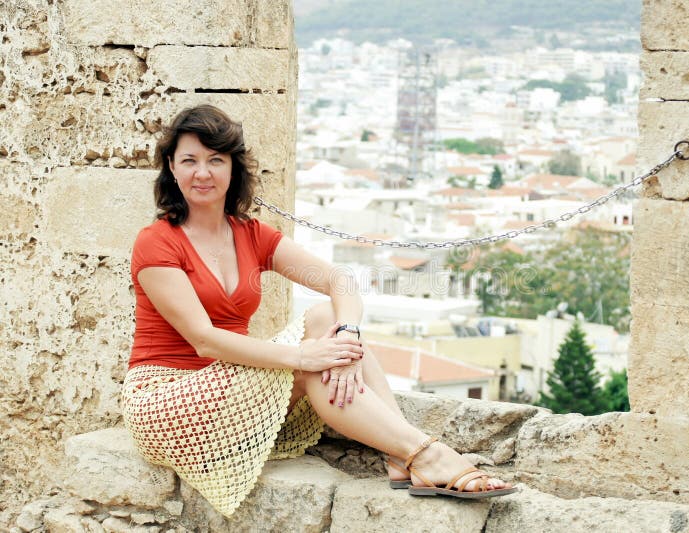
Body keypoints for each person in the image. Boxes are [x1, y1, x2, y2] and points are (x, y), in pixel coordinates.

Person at [121, 105, 516, 517]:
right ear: (172, 167)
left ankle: (403, 455)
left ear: (233, 168)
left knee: (329, 319)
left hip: (229, 384)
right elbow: (203, 340)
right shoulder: (157, 242)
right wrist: (304, 356)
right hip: (165, 398)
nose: (202, 173)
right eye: (189, 161)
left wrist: (347, 333)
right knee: (314, 361)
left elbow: (340, 281)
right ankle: (424, 454)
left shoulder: (251, 235)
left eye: (215, 160)